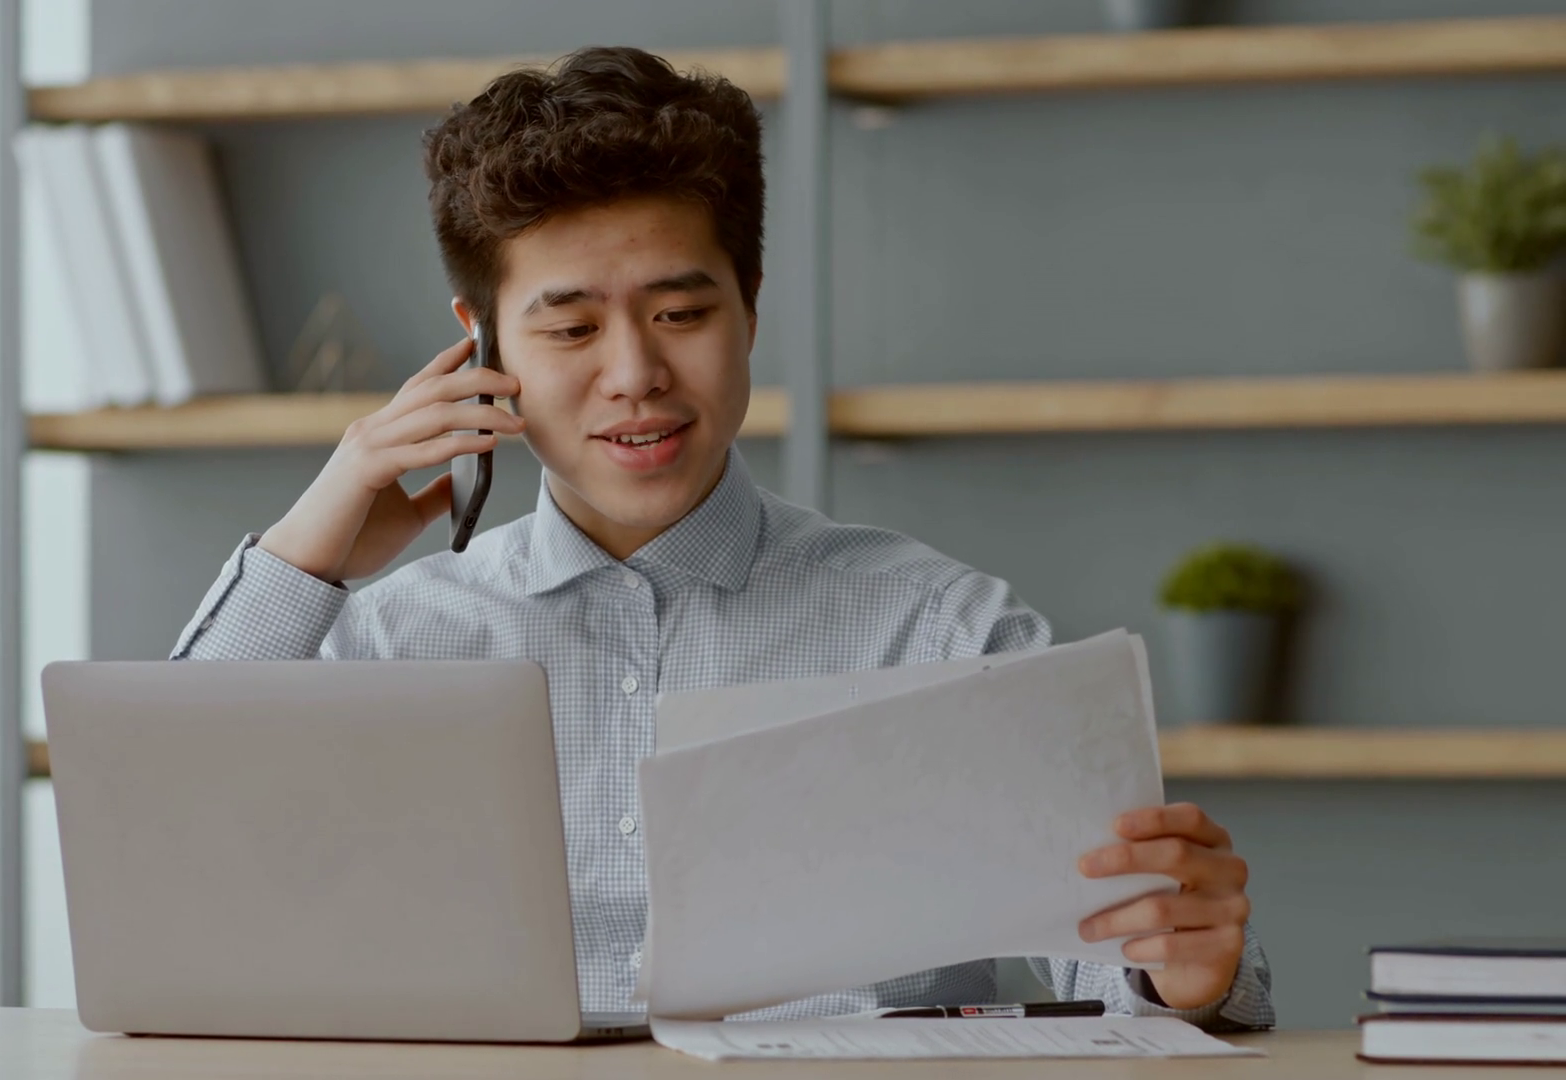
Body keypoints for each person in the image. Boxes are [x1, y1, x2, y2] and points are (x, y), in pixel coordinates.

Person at [172, 45, 1272, 1030]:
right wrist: (304, 550)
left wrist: (1186, 968)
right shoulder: (391, 644)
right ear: (480, 345)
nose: (635, 375)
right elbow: (171, 853)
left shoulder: (942, 631)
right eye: (568, 327)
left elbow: (1130, 972)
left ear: (750, 305)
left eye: (681, 314)